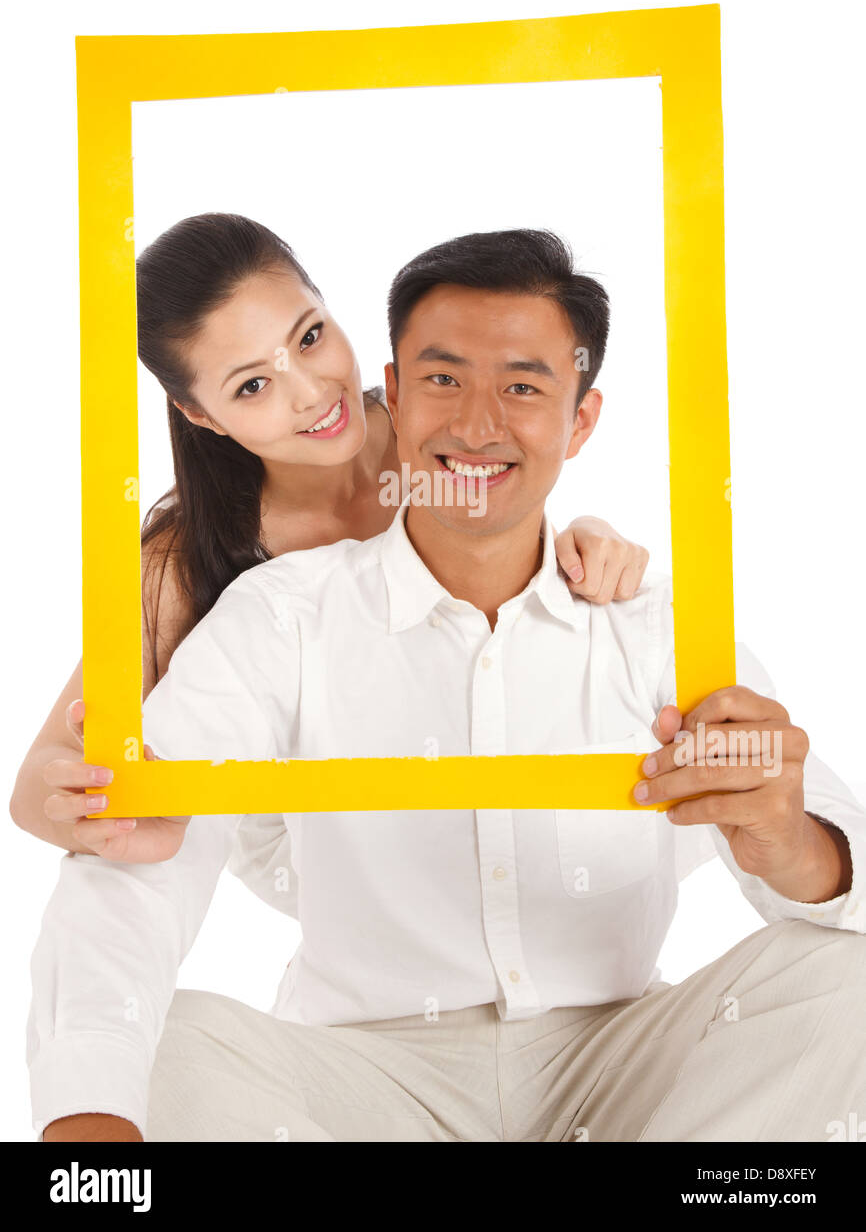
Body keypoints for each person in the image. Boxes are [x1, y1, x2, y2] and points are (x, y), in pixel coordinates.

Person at [28, 228, 866, 1144]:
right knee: (161, 1046)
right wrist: (89, 1114)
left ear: (581, 420)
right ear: (398, 388)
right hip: (366, 1069)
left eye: (521, 386)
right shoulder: (243, 602)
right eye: (442, 380)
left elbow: (825, 841)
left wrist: (792, 840)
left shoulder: (641, 610)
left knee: (845, 979)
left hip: (620, 1059)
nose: (474, 424)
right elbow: (122, 863)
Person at [9, 212, 648, 881]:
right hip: (333, 856)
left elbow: (516, 510)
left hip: (496, 795)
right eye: (252, 385)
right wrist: (88, 808)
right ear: (199, 414)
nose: (311, 393)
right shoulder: (185, 559)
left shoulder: (430, 420)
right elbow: (34, 786)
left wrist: (588, 536)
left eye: (310, 337)